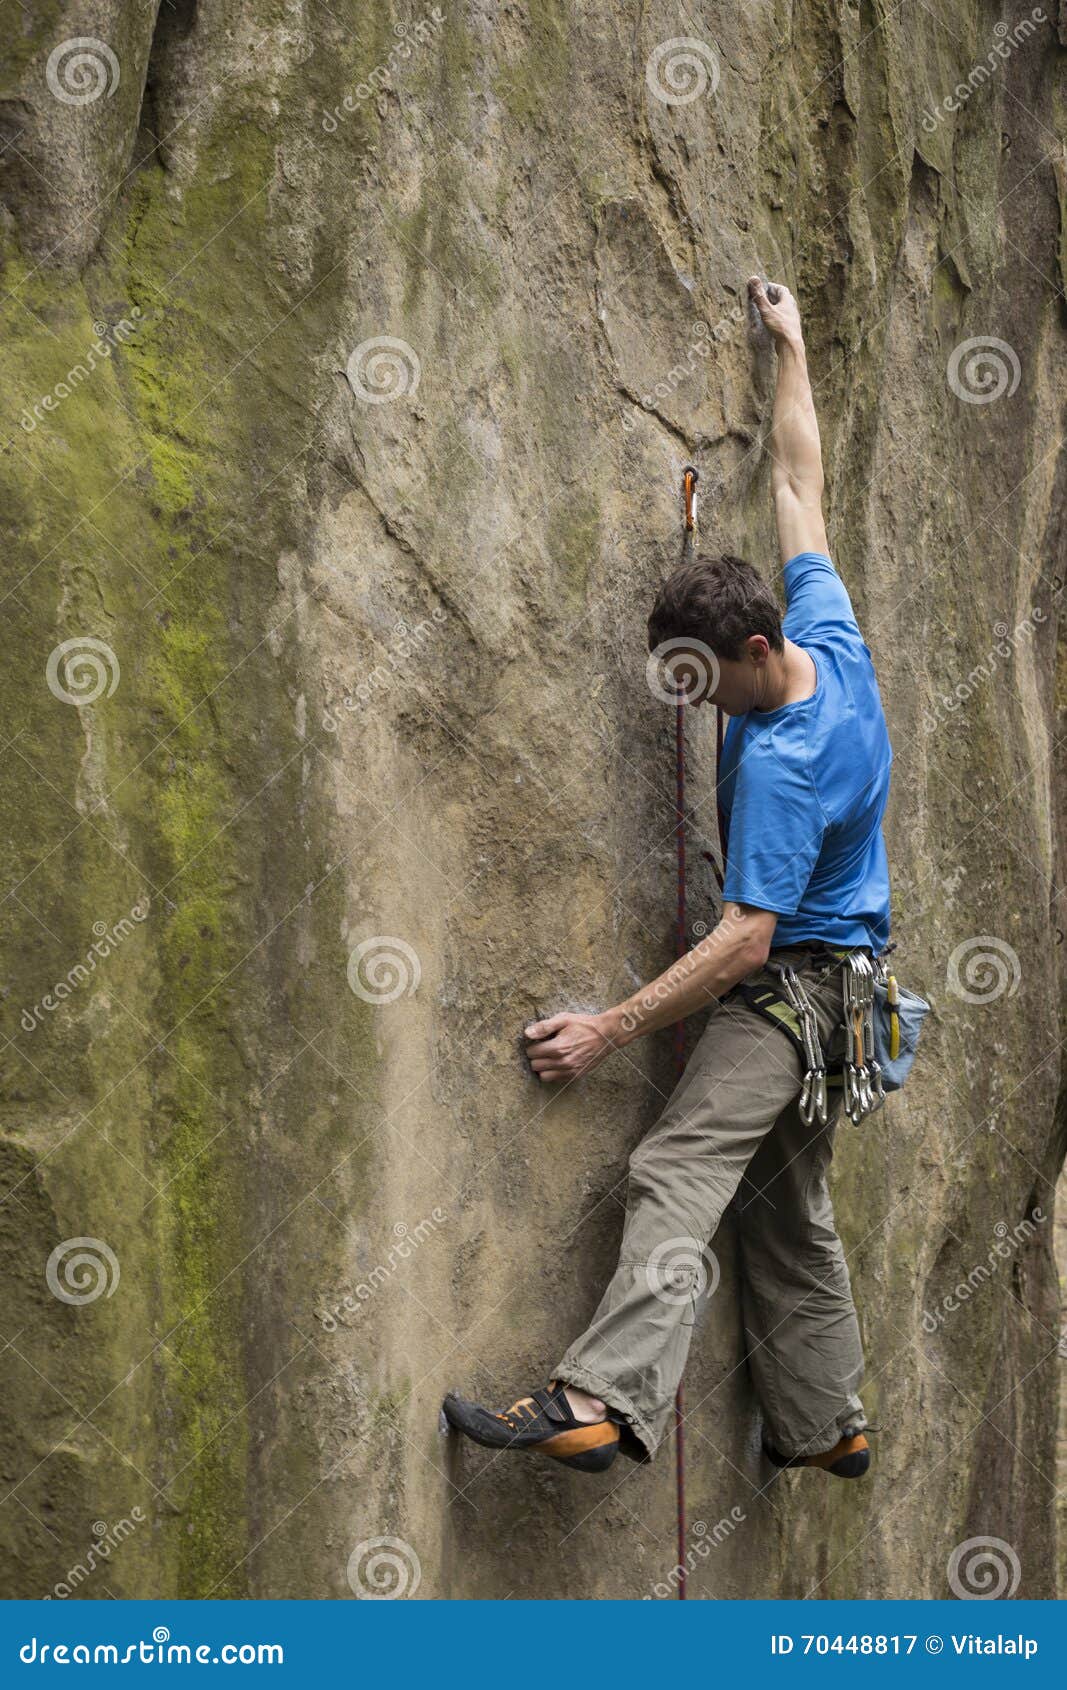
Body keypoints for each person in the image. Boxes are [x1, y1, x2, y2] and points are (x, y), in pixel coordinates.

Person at [443, 277, 892, 1479]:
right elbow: (798, 478)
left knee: (676, 1164)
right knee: (789, 1213)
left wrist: (609, 1026)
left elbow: (747, 941)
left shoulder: (793, 767)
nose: (691, 699)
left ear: (753, 652)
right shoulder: (824, 635)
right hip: (846, 993)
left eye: (702, 679)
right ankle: (824, 1420)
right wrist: (787, 346)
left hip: (789, 992)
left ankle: (598, 1399)